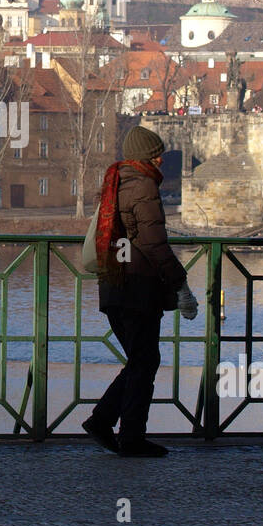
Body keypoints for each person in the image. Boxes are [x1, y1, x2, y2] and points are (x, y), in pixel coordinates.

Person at [82, 125, 198, 458]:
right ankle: (127, 435)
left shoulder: (116, 181)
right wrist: (181, 284)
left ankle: (106, 423)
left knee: (140, 361)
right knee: (144, 361)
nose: (162, 159)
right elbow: (154, 243)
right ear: (146, 158)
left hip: (115, 284)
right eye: (156, 153)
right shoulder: (143, 185)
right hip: (137, 288)